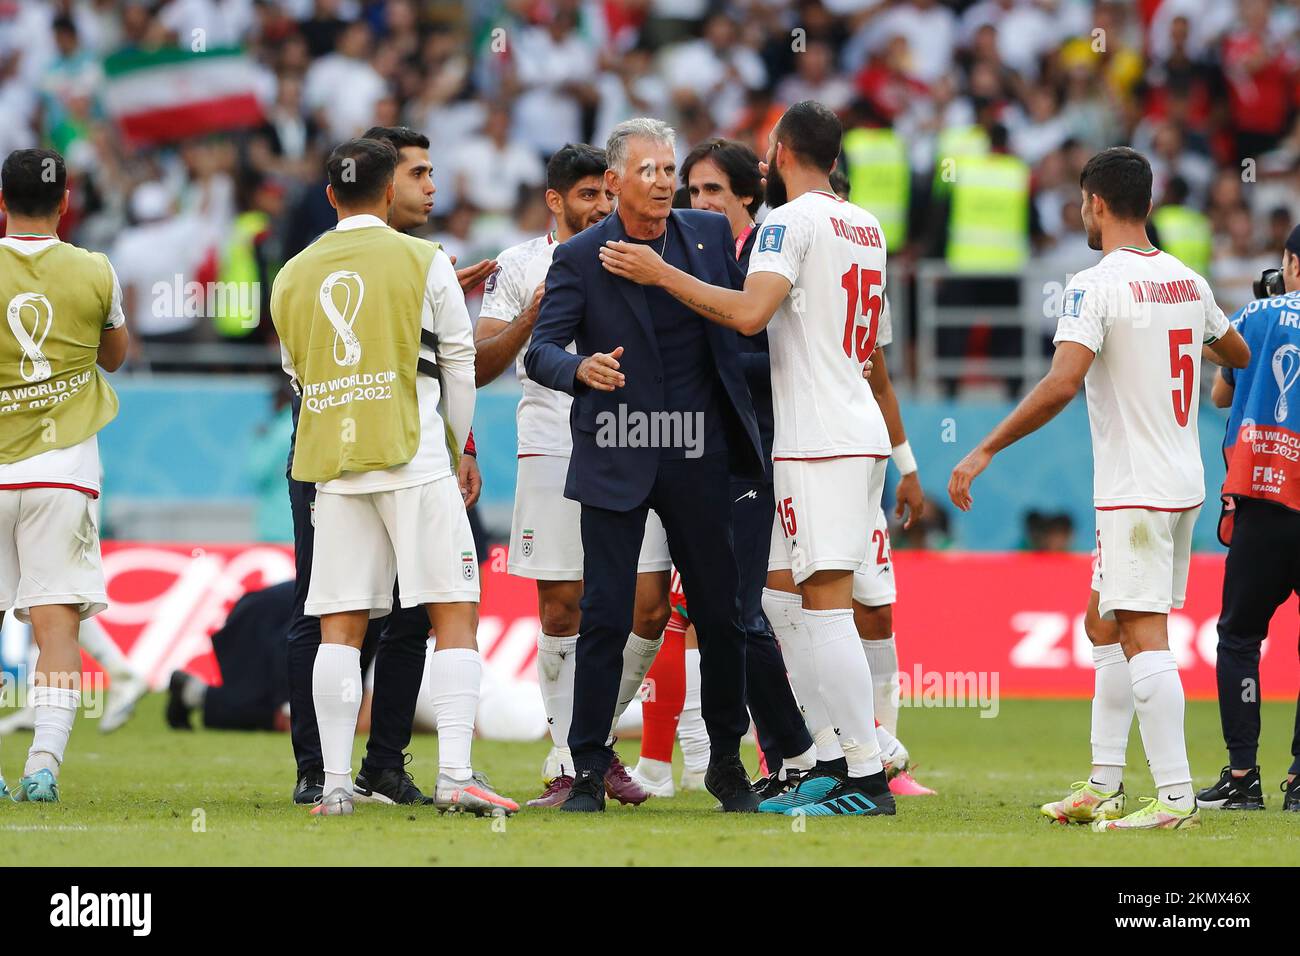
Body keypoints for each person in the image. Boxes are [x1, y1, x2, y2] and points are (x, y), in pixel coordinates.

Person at [600, 101, 898, 818]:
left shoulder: (786, 223)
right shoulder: (866, 223)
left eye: (768, 151)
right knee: (777, 600)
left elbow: (747, 314)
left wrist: (659, 274)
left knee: (825, 607)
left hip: (819, 434)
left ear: (786, 149)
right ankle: (824, 757)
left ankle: (867, 774)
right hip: (848, 426)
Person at [949, 146, 1250, 831]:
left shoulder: (1094, 284)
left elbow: (1061, 383)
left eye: (1083, 203)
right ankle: (1103, 783)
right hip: (1182, 482)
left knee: (1143, 632)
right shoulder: (1186, 280)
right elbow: (1235, 353)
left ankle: (1175, 799)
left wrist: (984, 448)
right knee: (1102, 622)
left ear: (1098, 203)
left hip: (1136, 488)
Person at [525, 117, 766, 813]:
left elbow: (740, 315)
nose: (664, 183)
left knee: (721, 613)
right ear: (614, 182)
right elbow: (541, 352)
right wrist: (582, 368)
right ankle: (589, 768)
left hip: (697, 448)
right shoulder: (580, 255)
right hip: (617, 445)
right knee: (604, 614)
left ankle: (725, 761)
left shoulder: (710, 236)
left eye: (670, 170)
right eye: (650, 172)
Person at [270, 137, 514, 817]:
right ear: (386, 193)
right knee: (454, 608)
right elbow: (460, 363)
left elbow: (296, 372)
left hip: (333, 467)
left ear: (329, 197)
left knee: (339, 626)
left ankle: (335, 784)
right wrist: (460, 448)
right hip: (415, 460)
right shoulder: (424, 260)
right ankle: (457, 774)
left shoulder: (291, 274)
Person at [474, 143, 663, 809]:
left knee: (649, 604)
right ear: (555, 200)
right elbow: (477, 364)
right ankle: (569, 762)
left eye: (607, 195)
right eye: (588, 196)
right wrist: (536, 310)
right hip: (552, 444)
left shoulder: (639, 255)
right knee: (562, 605)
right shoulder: (520, 264)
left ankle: (595, 743)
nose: (601, 208)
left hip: (633, 441)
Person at [656, 136, 817, 796]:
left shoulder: (767, 253)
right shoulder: (704, 256)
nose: (699, 202)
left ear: (750, 192)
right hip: (708, 453)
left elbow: (773, 360)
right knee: (736, 609)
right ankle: (793, 755)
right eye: (692, 192)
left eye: (713, 190)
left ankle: (806, 753)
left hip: (763, 451)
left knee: (744, 610)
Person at [0, 147, 129, 802]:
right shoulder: (94, 269)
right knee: (56, 625)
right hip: (64, 468)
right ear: (64, 202)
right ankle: (43, 765)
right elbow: (115, 355)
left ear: (1, 202)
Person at [1196, 223, 1300, 814]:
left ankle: (1243, 776)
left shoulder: (1258, 317)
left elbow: (1219, 395)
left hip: (1263, 500)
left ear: (1291, 261)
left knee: (1240, 636)